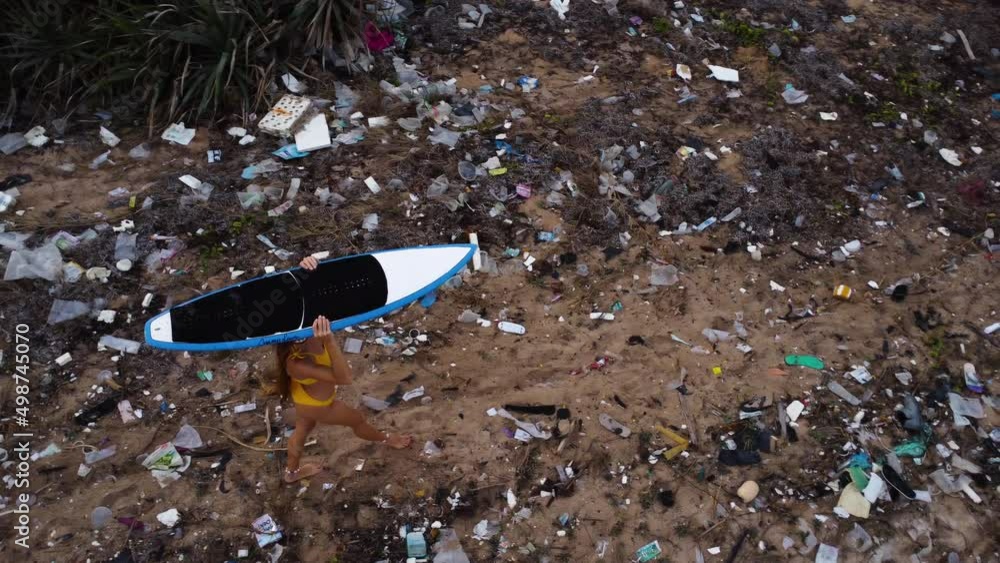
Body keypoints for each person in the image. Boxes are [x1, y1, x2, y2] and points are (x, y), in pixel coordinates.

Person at [275, 255, 412, 483]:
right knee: (357, 420)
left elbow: (311, 296)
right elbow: (344, 378)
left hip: (304, 399)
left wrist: (306, 269)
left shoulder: (304, 328)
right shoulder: (298, 362)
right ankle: (388, 439)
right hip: (319, 405)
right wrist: (329, 341)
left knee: (301, 433)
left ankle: (291, 474)